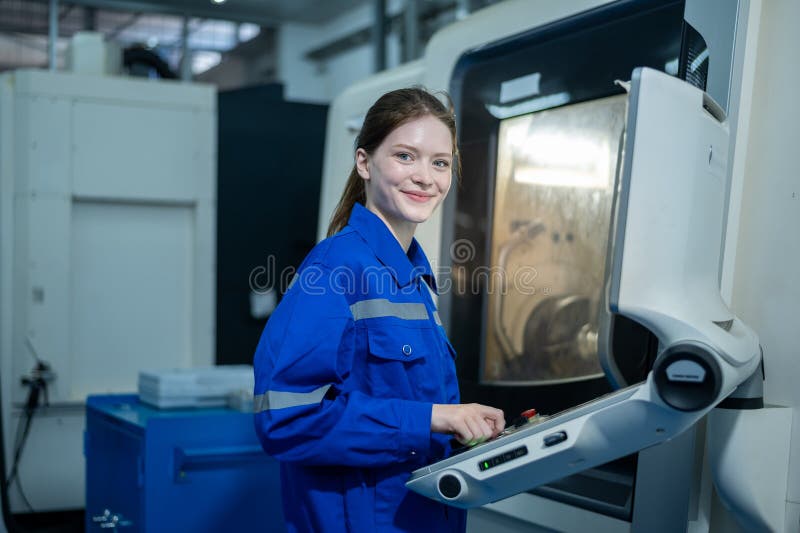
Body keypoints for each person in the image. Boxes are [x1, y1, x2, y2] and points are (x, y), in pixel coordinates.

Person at [253, 87, 506, 533]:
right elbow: (285, 419)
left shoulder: (413, 279)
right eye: (406, 156)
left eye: (440, 162)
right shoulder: (336, 269)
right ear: (365, 163)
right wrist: (432, 418)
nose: (426, 177)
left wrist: (461, 426)